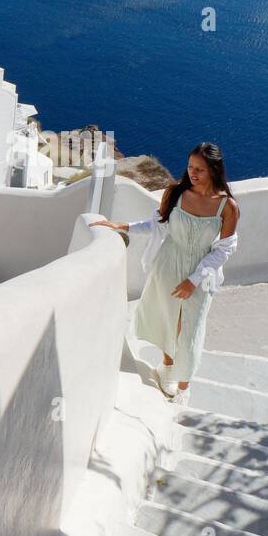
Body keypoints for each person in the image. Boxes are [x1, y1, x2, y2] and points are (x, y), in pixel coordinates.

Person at [93, 142, 239, 405]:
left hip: (201, 272)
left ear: (214, 171)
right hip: (168, 264)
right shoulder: (175, 194)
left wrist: (193, 280)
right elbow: (156, 225)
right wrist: (122, 226)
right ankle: (167, 367)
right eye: (190, 167)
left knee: (191, 327)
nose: (193, 173)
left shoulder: (227, 207)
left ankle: (184, 385)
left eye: (200, 170)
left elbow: (224, 250)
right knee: (166, 317)